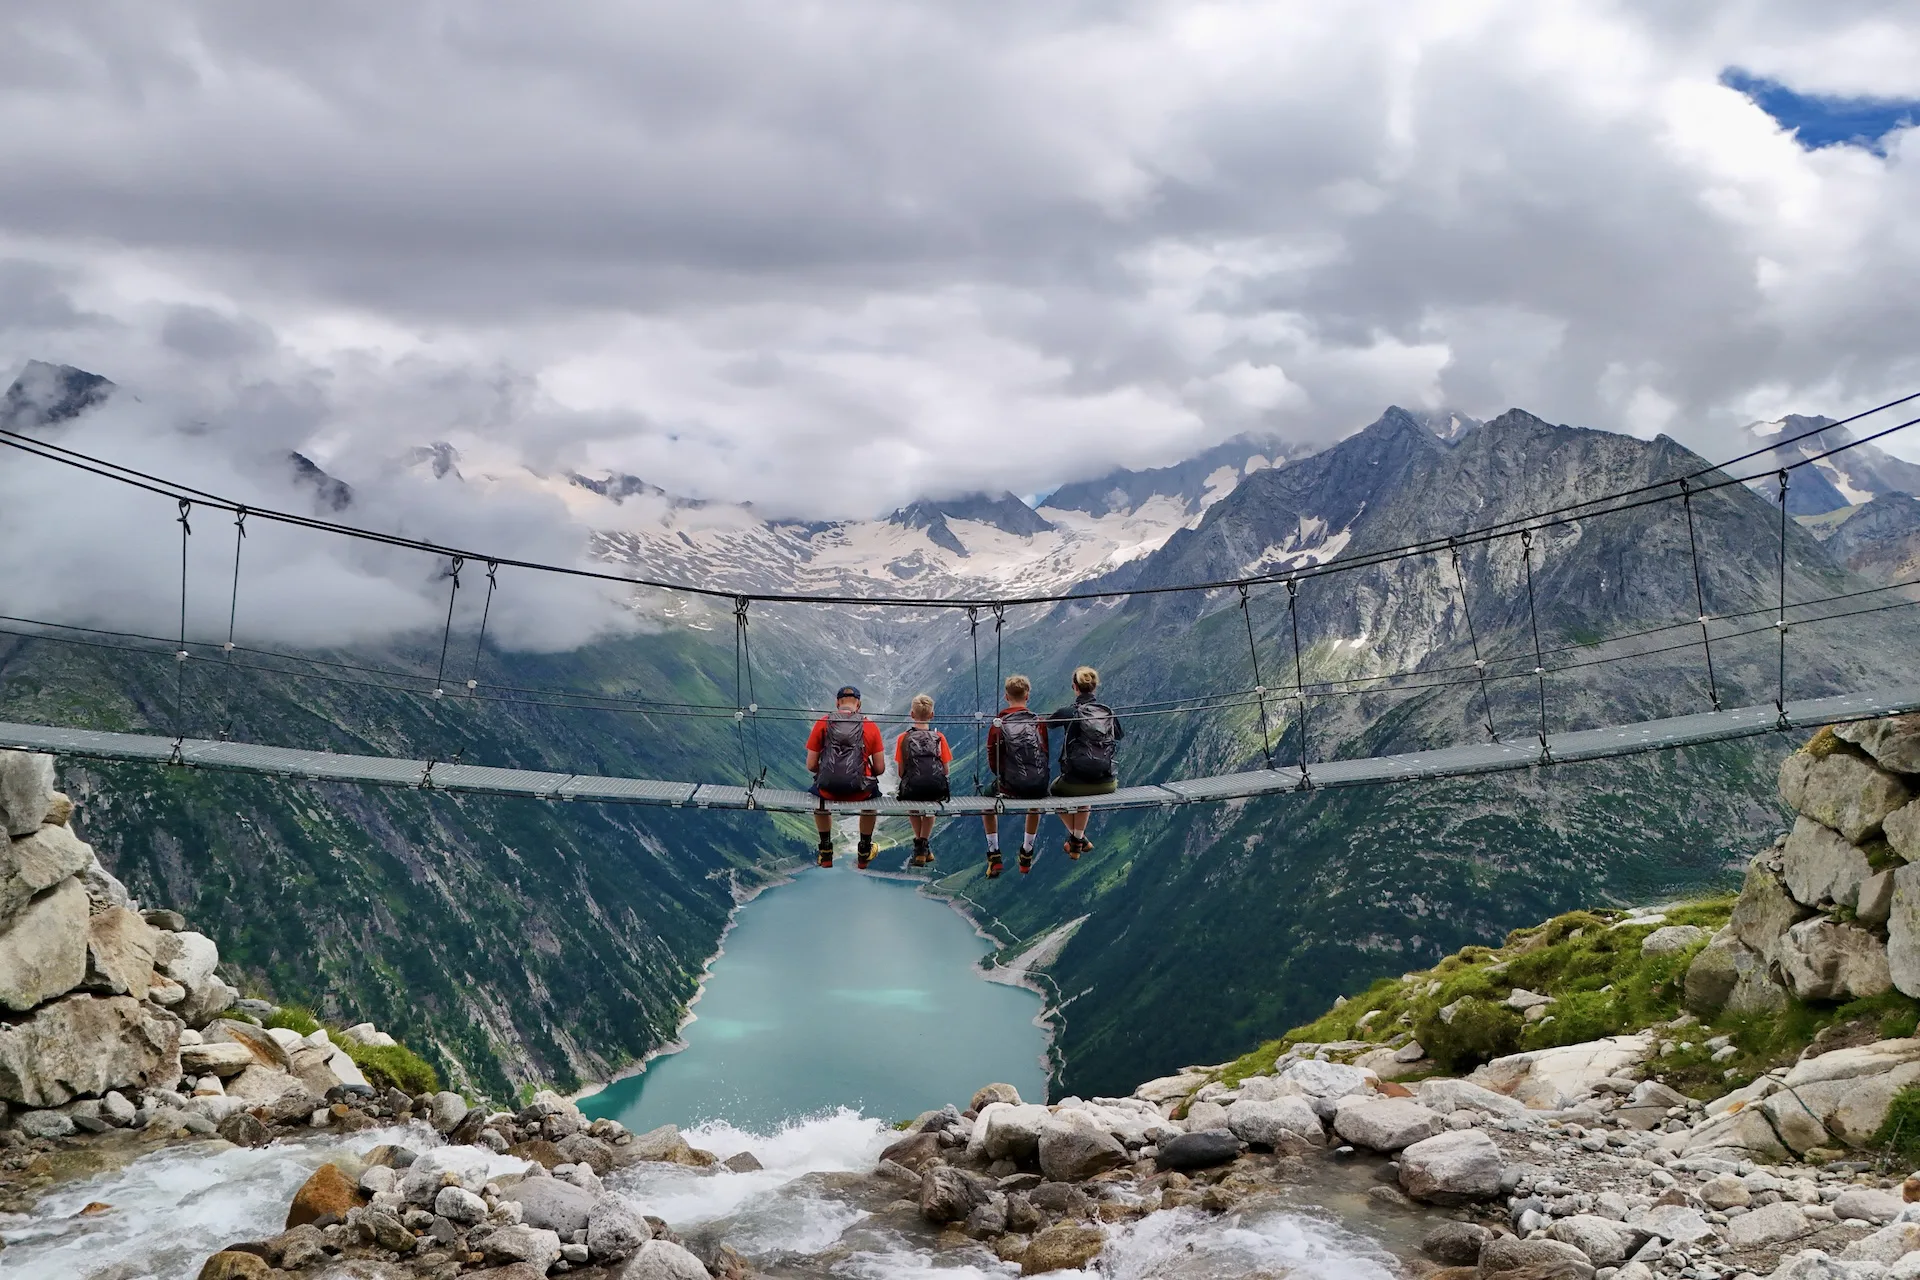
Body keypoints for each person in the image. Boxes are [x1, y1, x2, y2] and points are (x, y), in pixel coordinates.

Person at [806, 685, 886, 869]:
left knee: (818, 800)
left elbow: (811, 765)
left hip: (827, 791)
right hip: (860, 792)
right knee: (872, 800)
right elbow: (880, 769)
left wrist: (829, 775)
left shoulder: (823, 723)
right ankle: (864, 850)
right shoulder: (870, 727)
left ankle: (825, 850)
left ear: (837, 703)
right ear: (859, 705)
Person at [1048, 665, 1123, 858]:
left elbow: (1048, 723)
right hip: (1107, 782)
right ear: (1095, 687)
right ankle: (1077, 841)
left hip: (1075, 782)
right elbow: (1119, 735)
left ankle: (1078, 840)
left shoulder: (1069, 712)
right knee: (1086, 796)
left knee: (1051, 795)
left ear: (1075, 687)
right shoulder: (1107, 712)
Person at [983, 674, 1050, 877]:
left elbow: (993, 758)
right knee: (1035, 803)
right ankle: (1027, 851)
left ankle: (994, 854)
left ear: (1005, 697)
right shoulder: (1038, 721)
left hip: (1008, 787)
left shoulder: (999, 723)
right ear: (1027, 695)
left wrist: (1003, 776)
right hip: (1038, 784)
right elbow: (1044, 752)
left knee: (985, 802)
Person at [894, 693, 952, 868]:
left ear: (912, 715)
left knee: (913, 806)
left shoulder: (903, 738)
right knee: (930, 809)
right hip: (935, 788)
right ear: (932, 715)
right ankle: (923, 846)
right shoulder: (939, 737)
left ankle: (920, 848)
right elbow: (946, 770)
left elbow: (901, 771)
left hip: (912, 788)